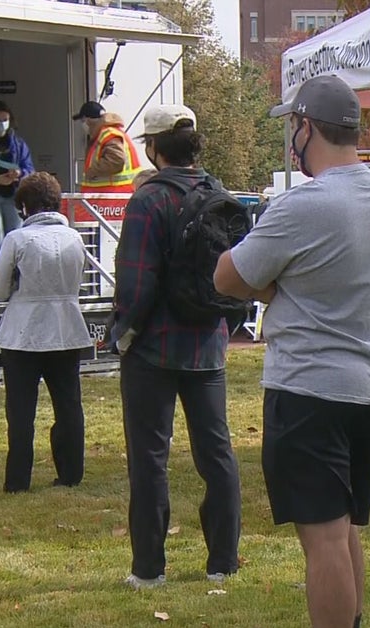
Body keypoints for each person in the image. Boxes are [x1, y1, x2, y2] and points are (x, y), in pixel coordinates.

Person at [213, 75, 370, 628]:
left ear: (305, 128)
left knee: (322, 539)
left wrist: (277, 287)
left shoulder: (303, 205)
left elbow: (227, 275)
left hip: (310, 388)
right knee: (344, 528)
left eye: (292, 128)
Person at [109, 103, 241, 589]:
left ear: (153, 147)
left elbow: (136, 282)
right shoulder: (218, 193)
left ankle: (149, 569)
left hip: (154, 348)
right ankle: (223, 562)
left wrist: (122, 332)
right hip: (208, 342)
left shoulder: (147, 201)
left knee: (149, 459)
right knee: (217, 453)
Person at [0, 172, 91, 493]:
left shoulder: (17, 239)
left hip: (24, 331)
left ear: (23, 207)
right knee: (69, 405)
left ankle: (18, 479)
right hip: (66, 327)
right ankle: (71, 472)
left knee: (20, 410)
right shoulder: (75, 238)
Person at [0, 100, 34, 291]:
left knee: (16, 240)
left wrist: (19, 174)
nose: (2, 123)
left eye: (5, 120)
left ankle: (15, 285)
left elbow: (29, 169)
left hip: (13, 195)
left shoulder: (18, 144)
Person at [73, 100, 142, 194]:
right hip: (111, 198)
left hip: (113, 199)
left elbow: (116, 160)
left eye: (82, 120)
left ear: (88, 120)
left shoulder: (108, 134)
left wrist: (92, 171)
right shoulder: (105, 134)